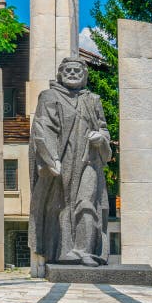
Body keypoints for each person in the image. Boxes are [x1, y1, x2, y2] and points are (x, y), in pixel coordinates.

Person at [28, 56, 112, 271]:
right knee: (61, 206)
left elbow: (104, 129)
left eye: (77, 71)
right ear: (60, 73)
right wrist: (50, 157)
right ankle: (64, 252)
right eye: (68, 70)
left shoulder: (92, 99)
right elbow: (42, 128)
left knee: (87, 203)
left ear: (84, 75)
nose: (73, 74)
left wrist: (100, 138)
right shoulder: (49, 96)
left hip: (89, 161)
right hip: (61, 161)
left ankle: (85, 251)